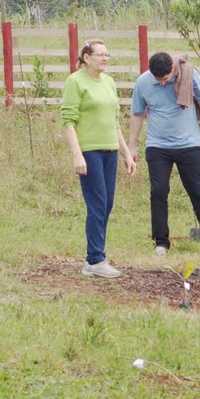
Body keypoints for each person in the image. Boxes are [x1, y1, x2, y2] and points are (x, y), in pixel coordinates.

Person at [61, 40, 135, 278]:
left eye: (107, 55)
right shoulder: (75, 82)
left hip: (110, 151)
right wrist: (77, 154)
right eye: (100, 55)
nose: (105, 58)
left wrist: (126, 154)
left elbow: (115, 123)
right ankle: (94, 260)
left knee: (107, 204)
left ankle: (97, 256)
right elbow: (68, 122)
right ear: (86, 57)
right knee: (98, 204)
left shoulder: (109, 82)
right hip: (89, 151)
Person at [129, 51, 200, 255]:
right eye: (158, 80)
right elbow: (138, 113)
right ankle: (161, 242)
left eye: (165, 79)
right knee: (158, 191)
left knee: (198, 192)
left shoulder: (190, 75)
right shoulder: (143, 82)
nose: (163, 83)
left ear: (173, 69)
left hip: (188, 144)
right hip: (157, 146)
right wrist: (132, 145)